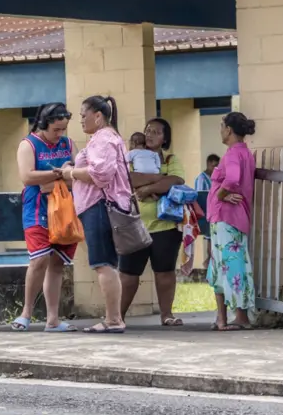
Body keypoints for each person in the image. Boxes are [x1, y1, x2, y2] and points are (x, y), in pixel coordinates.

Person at [58, 95, 133, 334]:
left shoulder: (103, 139)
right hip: (102, 205)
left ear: (98, 116)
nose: (80, 121)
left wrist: (70, 172)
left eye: (83, 116)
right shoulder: (109, 138)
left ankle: (113, 319)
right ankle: (113, 317)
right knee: (107, 263)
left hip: (99, 205)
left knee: (103, 263)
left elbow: (99, 174)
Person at [12, 103, 76, 333]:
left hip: (64, 211)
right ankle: (26, 312)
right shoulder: (28, 145)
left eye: (63, 130)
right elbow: (28, 177)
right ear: (43, 124)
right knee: (39, 260)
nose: (60, 135)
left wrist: (51, 180)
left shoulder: (68, 144)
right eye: (56, 130)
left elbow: (76, 175)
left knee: (57, 263)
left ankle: (53, 319)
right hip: (36, 211)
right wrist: (60, 172)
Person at [118, 118, 187, 325]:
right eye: (148, 130)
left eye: (156, 132)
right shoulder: (130, 157)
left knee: (164, 272)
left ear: (165, 138)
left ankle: (167, 315)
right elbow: (128, 178)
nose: (150, 134)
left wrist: (146, 188)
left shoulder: (170, 159)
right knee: (128, 275)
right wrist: (159, 180)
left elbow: (176, 180)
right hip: (134, 224)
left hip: (166, 226)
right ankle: (117, 316)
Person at [209, 111, 258, 331]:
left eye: (221, 126)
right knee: (222, 264)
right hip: (230, 218)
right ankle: (223, 318)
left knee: (229, 265)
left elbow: (232, 178)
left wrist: (221, 194)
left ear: (228, 129)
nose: (220, 130)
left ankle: (239, 317)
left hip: (227, 218)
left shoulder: (231, 154)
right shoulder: (245, 153)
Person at [189, 154, 221, 274]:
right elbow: (201, 197)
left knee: (212, 238)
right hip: (206, 212)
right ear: (208, 164)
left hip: (214, 212)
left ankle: (211, 264)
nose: (216, 168)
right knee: (210, 237)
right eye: (214, 166)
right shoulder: (201, 179)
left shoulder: (216, 178)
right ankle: (209, 264)